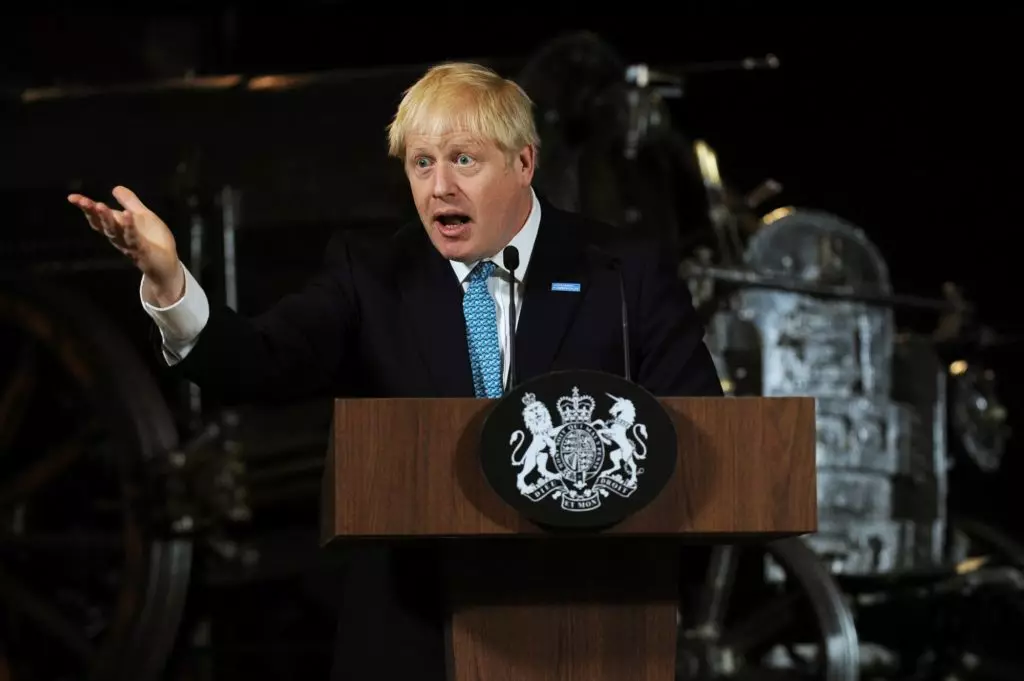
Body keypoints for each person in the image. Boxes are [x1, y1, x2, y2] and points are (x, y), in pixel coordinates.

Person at [68, 61, 723, 680]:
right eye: (421, 163)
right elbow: (258, 362)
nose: (440, 187)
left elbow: (700, 440)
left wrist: (660, 600)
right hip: (412, 640)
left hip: (594, 636)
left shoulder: (621, 272)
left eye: (464, 159)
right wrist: (169, 280)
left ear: (524, 162)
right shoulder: (371, 276)